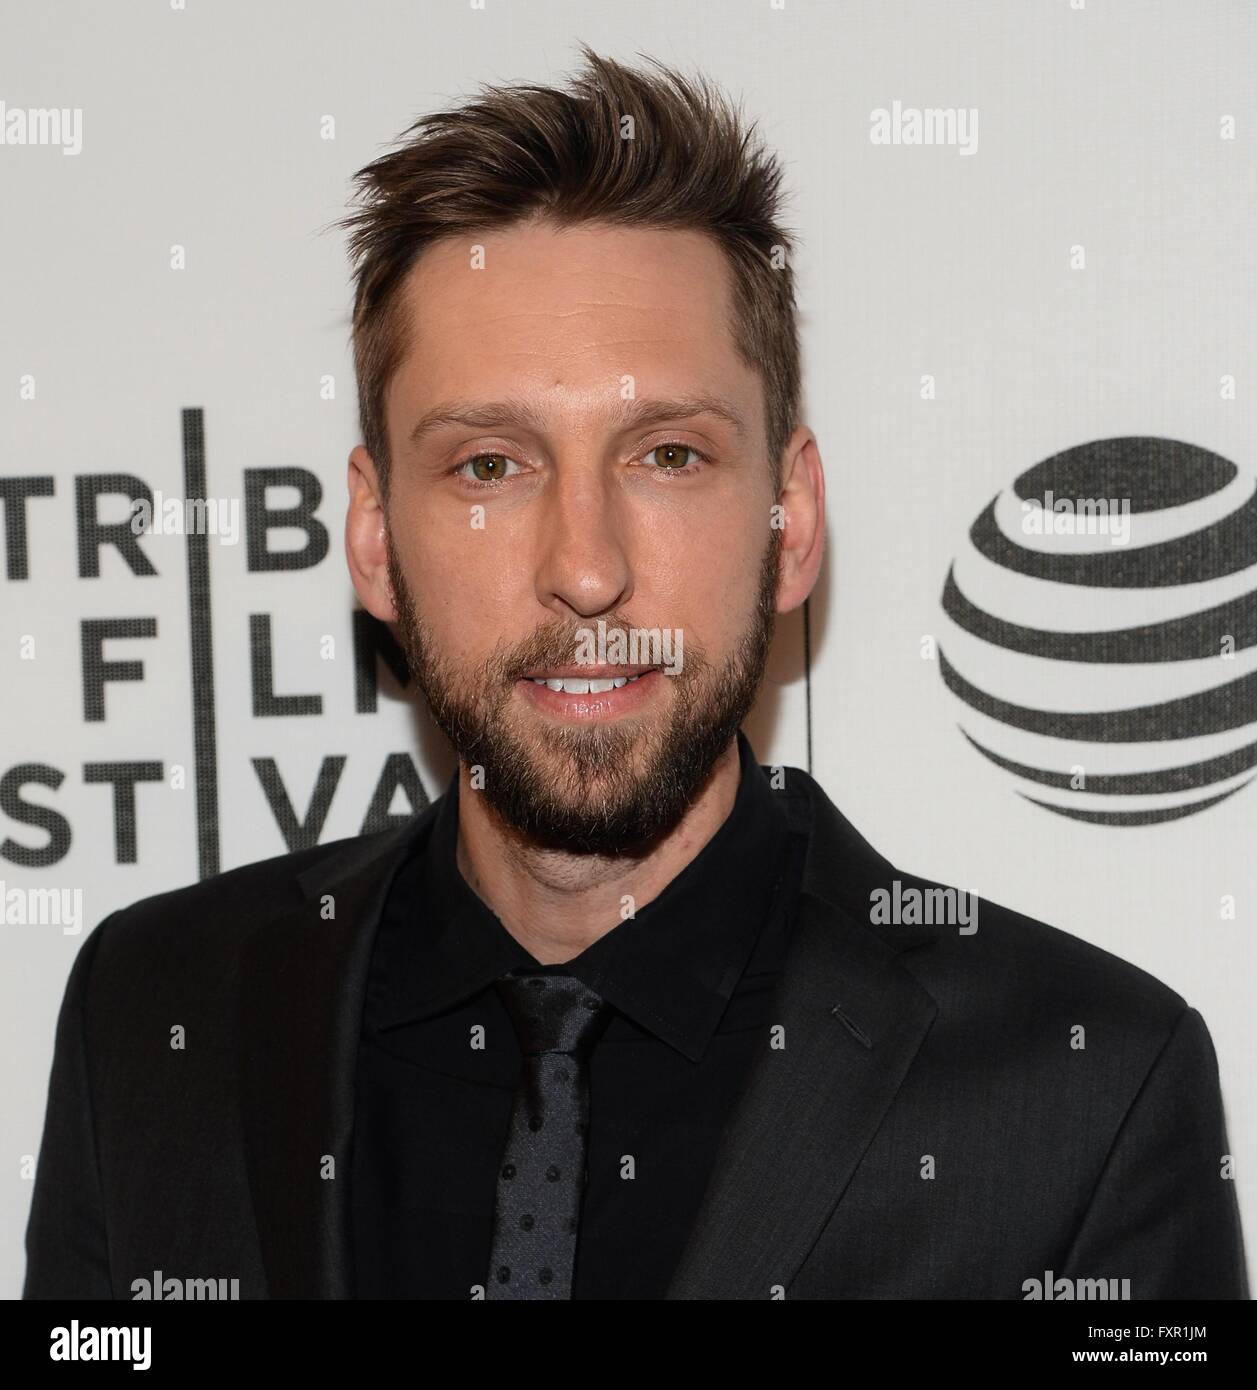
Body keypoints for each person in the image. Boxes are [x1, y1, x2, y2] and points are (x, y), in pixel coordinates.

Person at [24, 44, 1246, 1300]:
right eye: (489, 464)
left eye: (667, 453)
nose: (587, 569)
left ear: (792, 518)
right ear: (377, 539)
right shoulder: (157, 1009)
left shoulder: (1083, 1091)